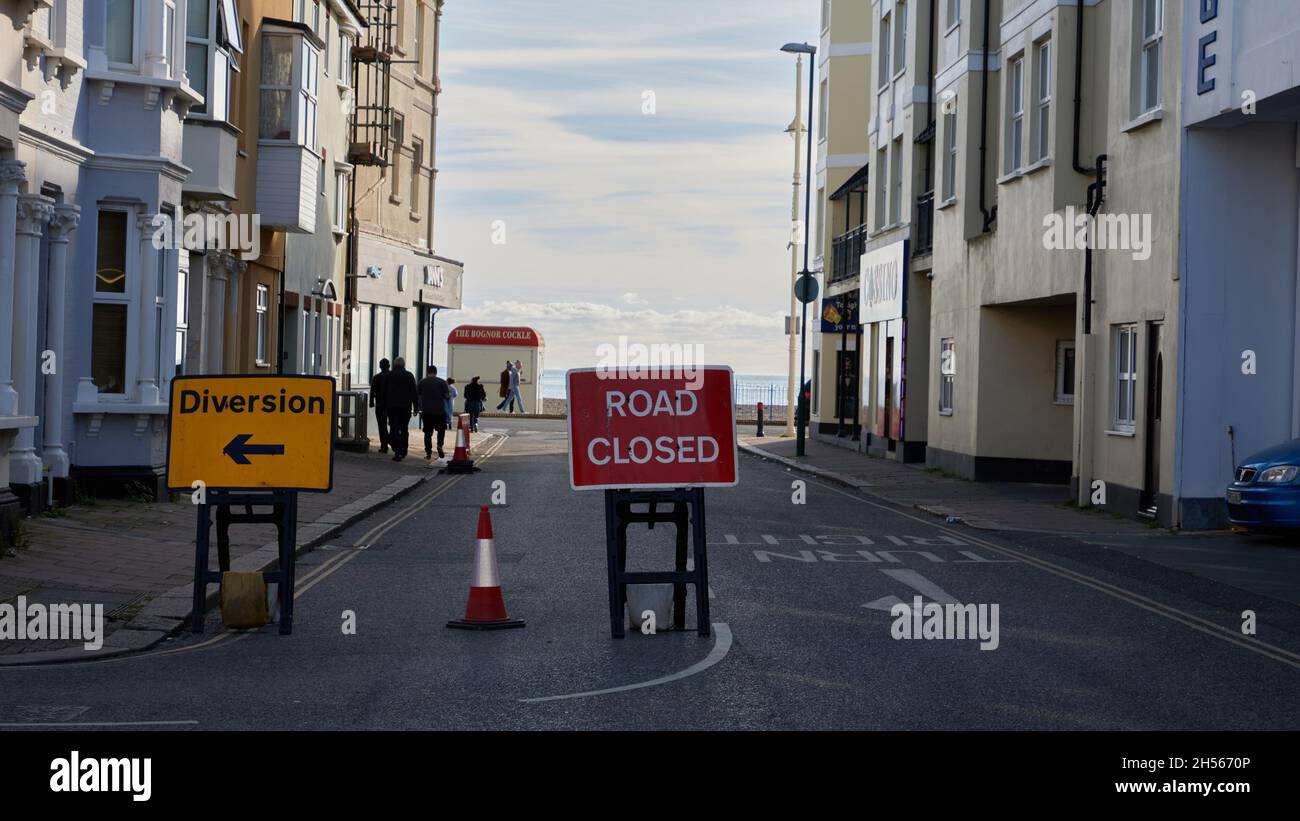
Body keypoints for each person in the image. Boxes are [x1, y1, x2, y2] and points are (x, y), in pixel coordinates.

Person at [384, 357, 419, 461]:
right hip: (405, 407)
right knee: (404, 429)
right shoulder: (409, 376)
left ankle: (397, 449)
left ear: (394, 364)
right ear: (404, 365)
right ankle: (403, 450)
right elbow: (414, 393)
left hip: (392, 407)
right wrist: (416, 407)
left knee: (394, 428)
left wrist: (384, 407)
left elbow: (384, 392)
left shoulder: (388, 375)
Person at [417, 366, 451, 459]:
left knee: (427, 433)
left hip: (426, 411)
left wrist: (418, 408)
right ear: (436, 372)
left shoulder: (422, 382)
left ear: (427, 372)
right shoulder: (442, 382)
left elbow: (418, 396)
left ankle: (428, 453)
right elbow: (447, 396)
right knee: (441, 430)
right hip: (439, 411)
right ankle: (440, 445)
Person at [369, 358, 391, 454]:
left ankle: (384, 446)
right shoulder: (392, 376)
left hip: (380, 405)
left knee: (382, 426)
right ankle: (392, 442)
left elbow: (372, 391)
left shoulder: (376, 377)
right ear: (389, 366)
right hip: (392, 405)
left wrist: (371, 402)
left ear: (380, 366)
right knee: (394, 425)